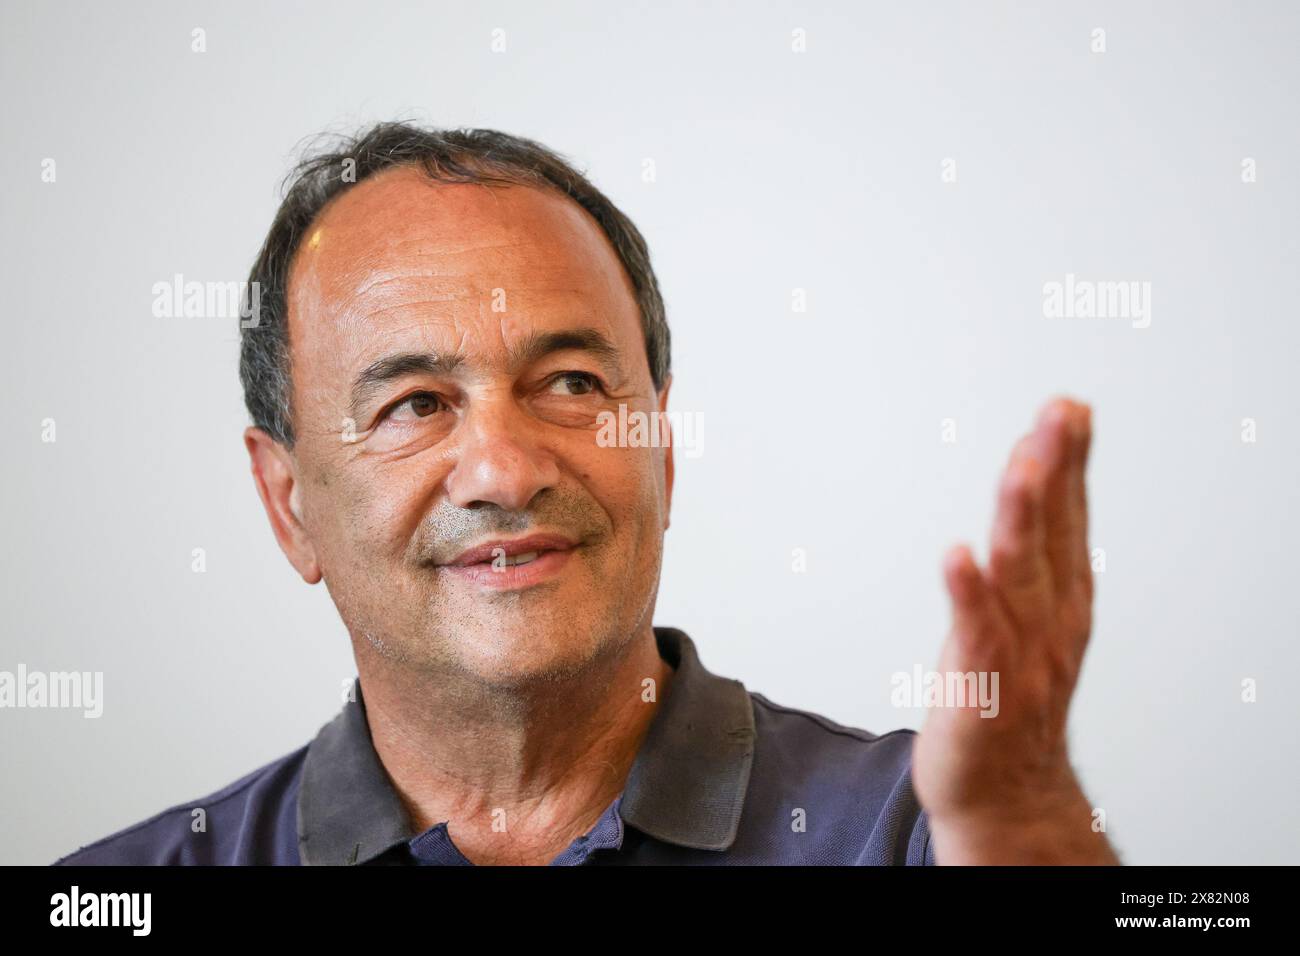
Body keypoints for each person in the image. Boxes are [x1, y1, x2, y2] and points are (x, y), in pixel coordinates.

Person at [55, 123, 1117, 865]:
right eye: (416, 403)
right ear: (289, 504)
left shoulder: (922, 829)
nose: (506, 470)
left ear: (658, 441)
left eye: (569, 384)